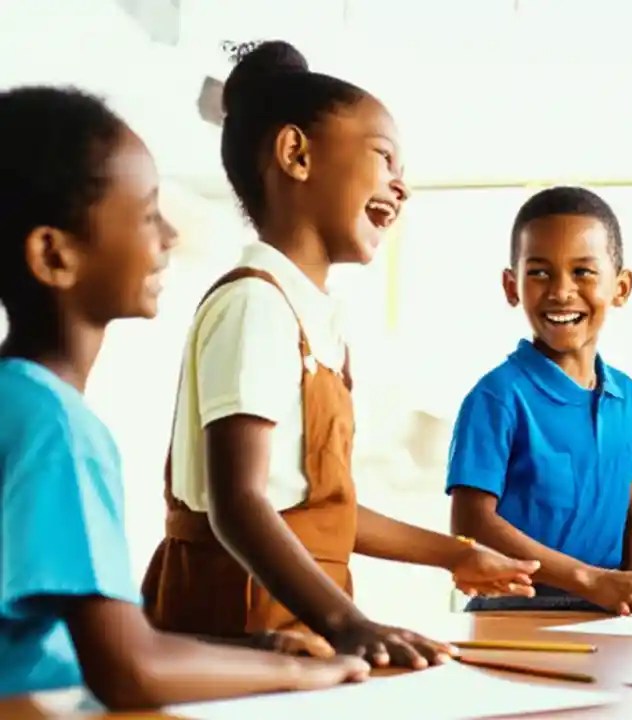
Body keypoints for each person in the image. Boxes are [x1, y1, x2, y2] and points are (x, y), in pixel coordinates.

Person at [141, 41, 538, 669]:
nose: (401, 185)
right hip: (239, 620)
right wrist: (351, 623)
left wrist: (454, 554)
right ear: (297, 154)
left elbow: (322, 510)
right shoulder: (255, 304)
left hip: (296, 622)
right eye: (384, 156)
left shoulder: (314, 319)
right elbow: (239, 504)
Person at [0, 85, 369, 708]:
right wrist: (307, 675)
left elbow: (91, 640)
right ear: (54, 255)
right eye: (147, 215)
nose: (169, 235)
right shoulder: (55, 428)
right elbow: (128, 672)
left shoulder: (18, 404)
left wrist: (250, 653)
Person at [448, 186, 632, 618]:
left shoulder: (629, 398)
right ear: (510, 285)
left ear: (622, 287)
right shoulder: (497, 396)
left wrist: (631, 592)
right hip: (513, 610)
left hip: (607, 608)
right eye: (539, 272)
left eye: (583, 272)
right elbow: (470, 525)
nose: (561, 291)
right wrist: (589, 580)